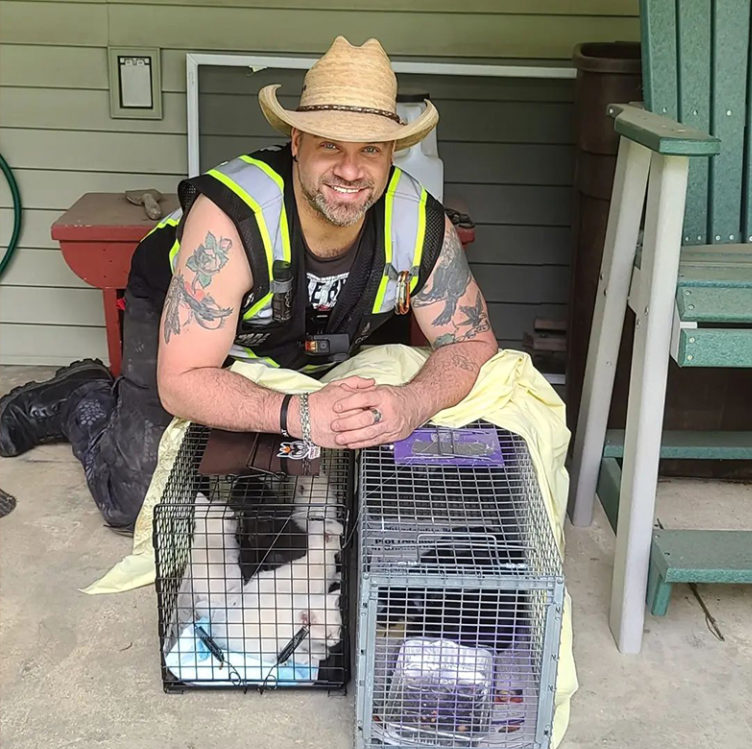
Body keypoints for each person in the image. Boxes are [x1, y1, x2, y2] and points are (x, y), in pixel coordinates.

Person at [0, 36, 497, 530]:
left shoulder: (421, 222)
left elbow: (472, 341)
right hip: (188, 318)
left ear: (393, 152)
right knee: (137, 503)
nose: (350, 170)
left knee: (341, 491)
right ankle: (80, 396)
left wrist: (412, 403)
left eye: (370, 148)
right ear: (297, 142)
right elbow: (184, 381)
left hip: (299, 329)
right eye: (330, 144)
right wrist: (301, 414)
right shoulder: (231, 220)